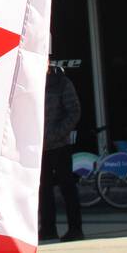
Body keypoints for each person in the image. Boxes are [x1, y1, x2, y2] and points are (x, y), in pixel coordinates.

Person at [40, 65, 83, 242]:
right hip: (40, 147)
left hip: (60, 145)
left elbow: (74, 112)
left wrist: (57, 134)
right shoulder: (32, 83)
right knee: (44, 189)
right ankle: (48, 228)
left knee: (67, 187)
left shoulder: (62, 83)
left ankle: (75, 229)